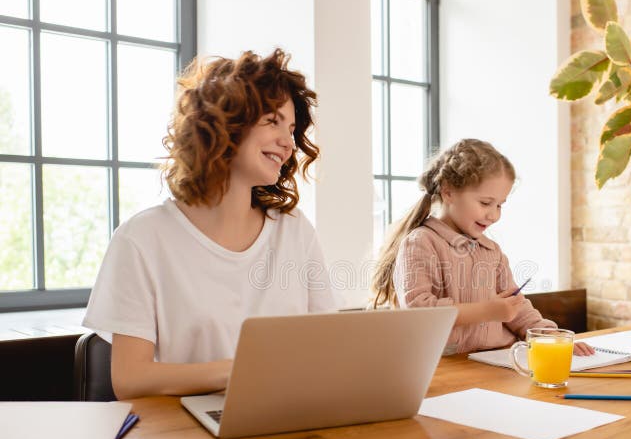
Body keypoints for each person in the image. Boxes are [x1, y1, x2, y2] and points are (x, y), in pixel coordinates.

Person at [83, 49, 337, 399]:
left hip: (284, 416)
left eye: (291, 129)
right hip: (188, 434)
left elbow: (326, 345)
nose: (288, 142)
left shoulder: (295, 230)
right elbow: (129, 378)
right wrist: (238, 371)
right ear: (225, 123)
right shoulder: (141, 238)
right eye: (272, 121)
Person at [371, 138, 593, 356]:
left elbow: (516, 306)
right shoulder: (420, 243)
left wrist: (549, 338)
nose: (494, 215)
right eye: (486, 203)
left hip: (498, 360)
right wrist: (487, 310)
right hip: (445, 367)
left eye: (499, 205)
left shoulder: (491, 251)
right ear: (448, 191)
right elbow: (419, 312)